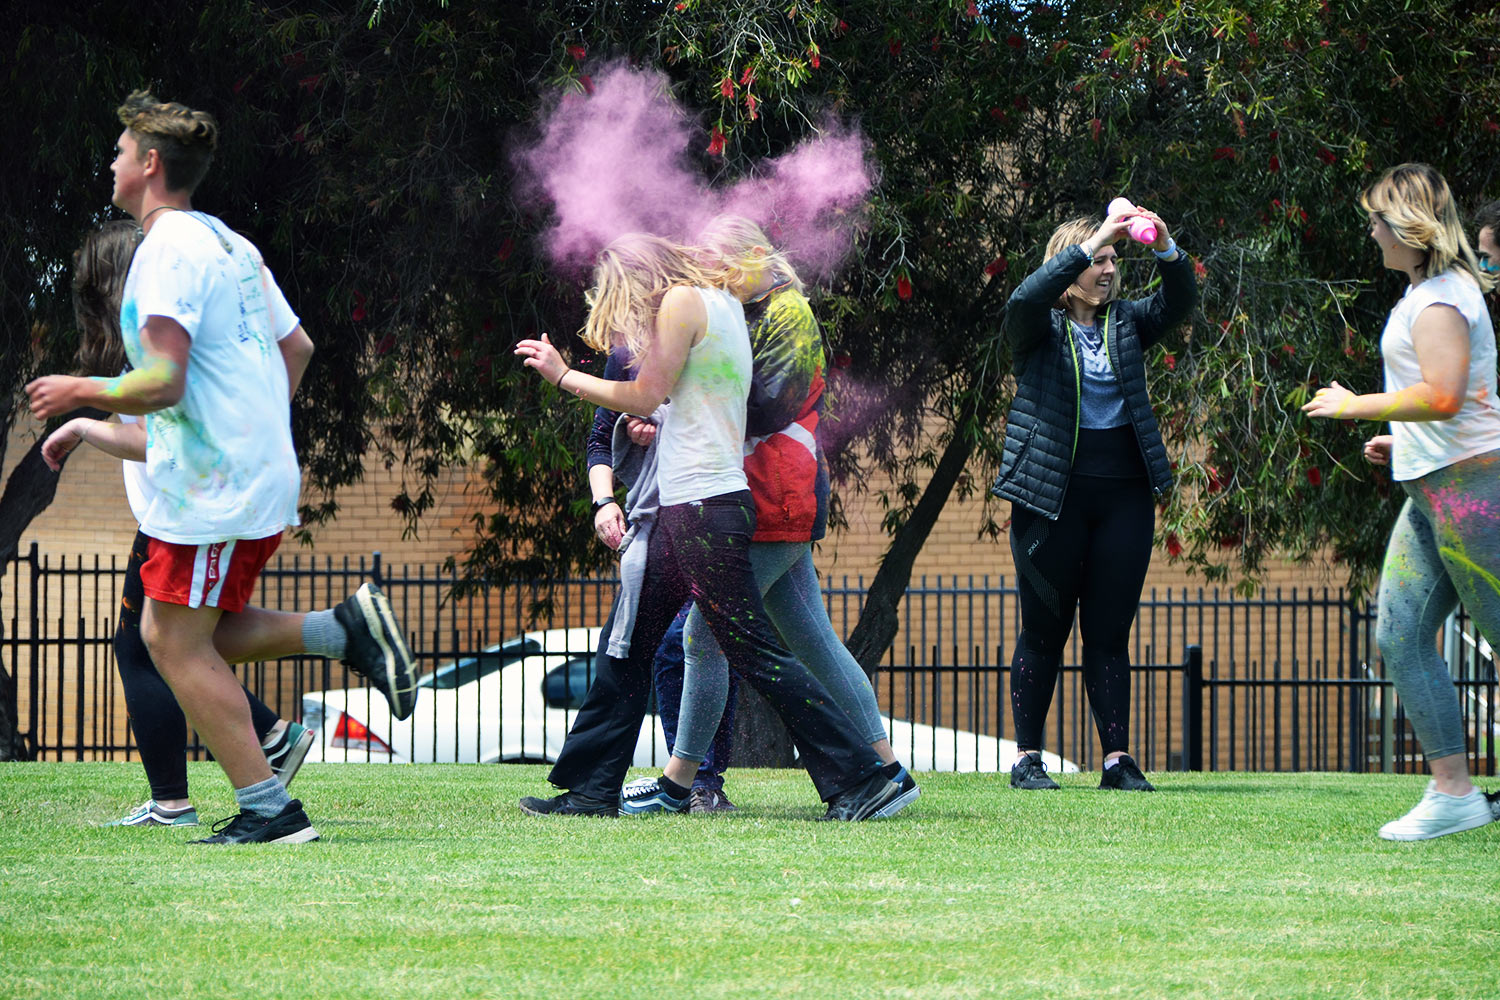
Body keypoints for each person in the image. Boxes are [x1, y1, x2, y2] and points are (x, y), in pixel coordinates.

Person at [26, 90, 417, 844]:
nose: (111, 165)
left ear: (148, 163)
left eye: (118, 152)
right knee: (171, 632)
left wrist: (79, 389)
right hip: (246, 475)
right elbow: (295, 349)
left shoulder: (163, 254)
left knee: (170, 642)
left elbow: (165, 380)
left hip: (210, 487)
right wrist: (257, 426)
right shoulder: (230, 244)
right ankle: (342, 632)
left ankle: (270, 809)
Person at [515, 233, 899, 820]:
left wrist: (564, 377)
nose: (633, 317)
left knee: (756, 651)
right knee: (628, 646)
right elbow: (703, 399)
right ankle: (591, 790)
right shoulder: (720, 305)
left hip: (703, 509)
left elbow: (645, 391)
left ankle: (864, 780)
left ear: (643, 280)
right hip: (697, 505)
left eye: (627, 299)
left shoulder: (685, 302)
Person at [623, 216, 918, 815]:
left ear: (757, 256)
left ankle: (681, 785)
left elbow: (762, 407)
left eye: (723, 266)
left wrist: (678, 402)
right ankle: (890, 772)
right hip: (768, 493)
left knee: (705, 635)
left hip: (776, 494)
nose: (716, 278)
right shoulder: (752, 312)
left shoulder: (789, 314)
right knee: (814, 642)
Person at [1304, 163, 1500, 839]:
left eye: (1379, 218)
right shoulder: (1425, 292)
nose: (1371, 229)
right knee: (1401, 634)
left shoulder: (1443, 296)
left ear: (1410, 226)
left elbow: (1444, 394)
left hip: (1476, 494)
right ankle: (1454, 795)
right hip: (1435, 489)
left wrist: (1357, 406)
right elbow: (1439, 402)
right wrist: (1403, 442)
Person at [991, 205, 1197, 791]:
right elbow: (1025, 299)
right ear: (1072, 266)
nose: (1108, 269)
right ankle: (1028, 758)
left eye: (1112, 258)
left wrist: (1164, 245)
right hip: (1050, 497)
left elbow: (1179, 300)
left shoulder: (1127, 322)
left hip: (1124, 498)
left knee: (1108, 633)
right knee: (1043, 630)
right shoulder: (1038, 328)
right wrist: (1093, 238)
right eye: (1098, 259)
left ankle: (1117, 761)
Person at [580, 343, 741, 813]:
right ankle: (679, 782)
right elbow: (601, 436)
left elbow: (721, 418)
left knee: (692, 642)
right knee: (648, 646)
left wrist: (660, 420)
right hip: (656, 517)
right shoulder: (625, 350)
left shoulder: (707, 328)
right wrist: (604, 502)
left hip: (710, 508)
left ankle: (699, 781)